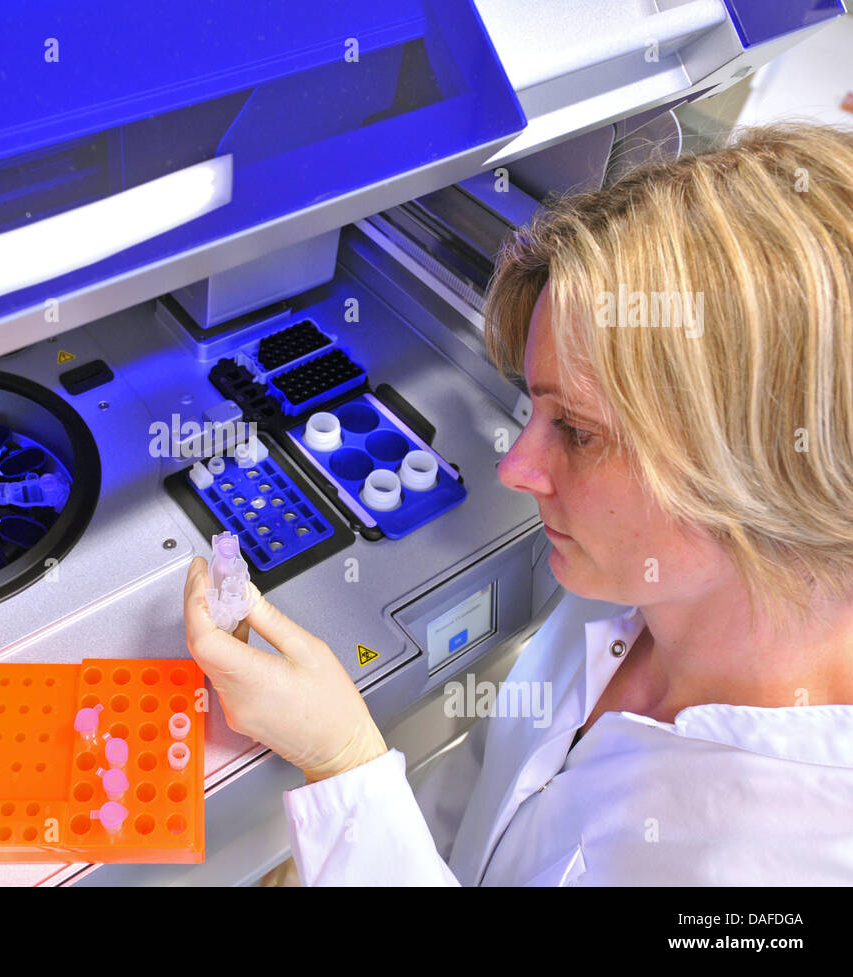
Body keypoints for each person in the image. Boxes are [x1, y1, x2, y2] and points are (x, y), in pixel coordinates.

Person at [182, 123, 853, 884]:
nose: (517, 469)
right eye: (532, 411)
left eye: (576, 430)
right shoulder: (627, 593)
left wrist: (343, 764)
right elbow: (487, 818)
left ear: (759, 471)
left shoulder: (794, 869)